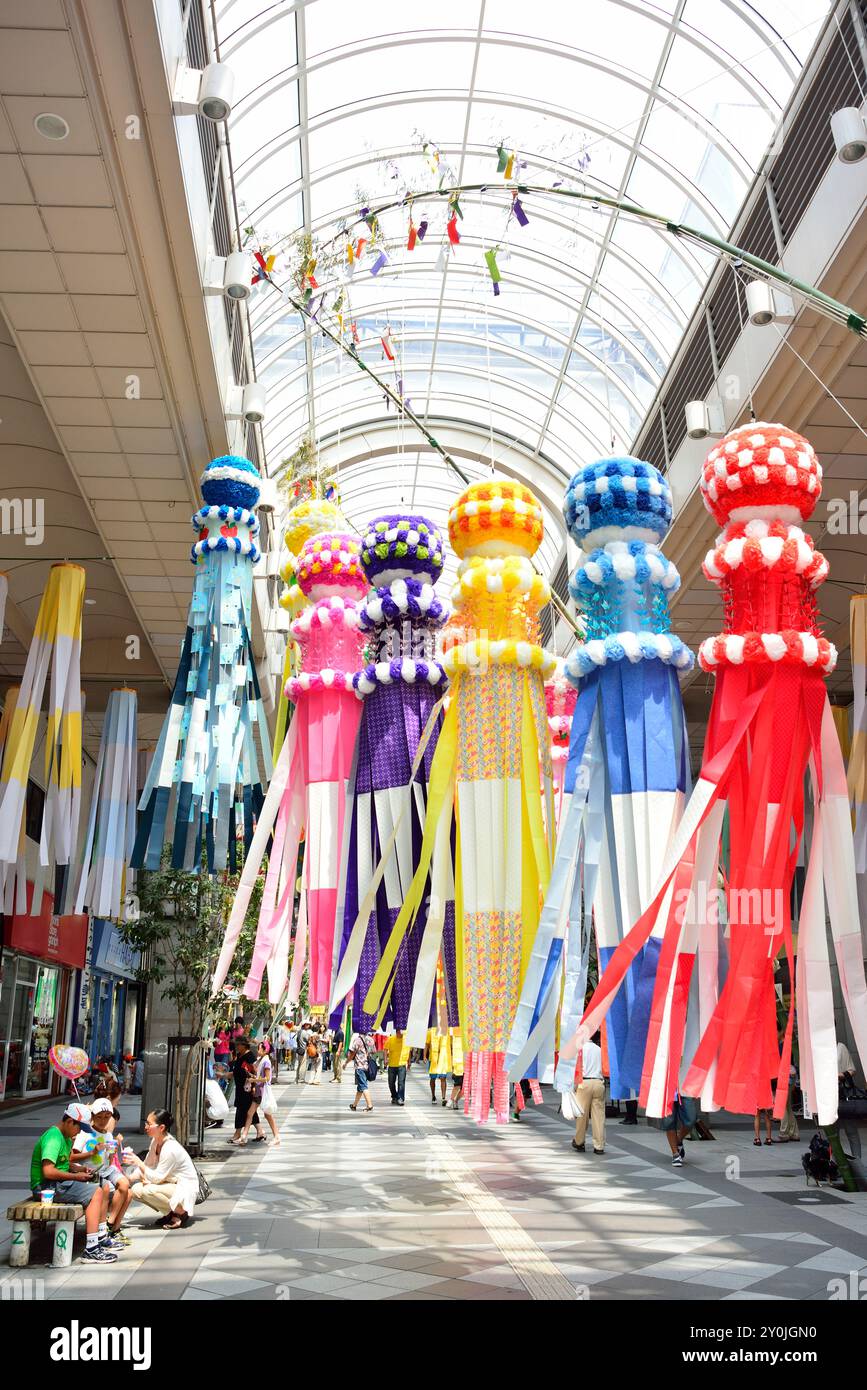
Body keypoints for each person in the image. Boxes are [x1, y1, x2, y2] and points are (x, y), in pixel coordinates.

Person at [30, 1102, 119, 1262]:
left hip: (56, 1184)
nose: (79, 1133)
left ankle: (99, 1237)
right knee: (96, 1192)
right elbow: (48, 1171)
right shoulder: (54, 1137)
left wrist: (78, 1170)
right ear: (70, 1121)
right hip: (45, 1187)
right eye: (79, 1128)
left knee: (103, 1187)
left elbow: (63, 1163)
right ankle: (91, 1248)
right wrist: (75, 1177)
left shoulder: (65, 1136)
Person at [73, 1097, 133, 1245]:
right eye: (99, 1117)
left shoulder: (107, 1135)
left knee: (126, 1187)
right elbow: (72, 1157)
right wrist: (92, 1153)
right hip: (91, 1172)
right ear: (92, 1116)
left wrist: (113, 1150)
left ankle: (110, 1225)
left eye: (107, 1117)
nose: (103, 1120)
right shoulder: (85, 1134)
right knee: (114, 1190)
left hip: (106, 1170)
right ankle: (109, 1229)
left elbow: (109, 1159)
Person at [128, 1109, 199, 1229]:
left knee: (148, 1190)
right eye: (146, 1123)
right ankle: (170, 1213)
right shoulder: (155, 1141)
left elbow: (156, 1178)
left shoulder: (170, 1148)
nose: (146, 1127)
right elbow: (148, 1164)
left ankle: (181, 1213)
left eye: (149, 1124)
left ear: (161, 1128)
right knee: (135, 1190)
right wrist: (129, 1179)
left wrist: (138, 1163)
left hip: (184, 1187)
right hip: (168, 1183)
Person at [570, 1032, 606, 1154]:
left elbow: (576, 1069)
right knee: (598, 1117)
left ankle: (579, 1142)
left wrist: (573, 1087)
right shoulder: (599, 1049)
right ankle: (599, 1146)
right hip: (598, 1082)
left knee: (582, 1115)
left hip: (584, 1083)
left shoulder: (579, 1049)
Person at [227, 1037, 266, 1145]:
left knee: (242, 1109)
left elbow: (255, 1072)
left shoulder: (250, 1057)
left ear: (244, 1045)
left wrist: (254, 1086)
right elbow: (236, 1072)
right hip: (240, 1087)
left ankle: (238, 1133)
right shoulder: (240, 1055)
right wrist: (224, 1075)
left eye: (238, 1045)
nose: (237, 1047)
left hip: (248, 1088)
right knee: (248, 1110)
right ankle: (260, 1131)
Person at [241, 1042, 281, 1145]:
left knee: (268, 1115)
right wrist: (253, 1078)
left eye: (259, 1049)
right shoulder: (262, 1061)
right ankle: (244, 1136)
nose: (257, 1051)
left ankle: (276, 1136)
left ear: (265, 1050)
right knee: (250, 1113)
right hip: (259, 1092)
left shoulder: (266, 1062)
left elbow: (267, 1079)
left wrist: (254, 1080)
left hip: (263, 1093)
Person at [838, 1039, 862, 1159]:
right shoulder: (817, 1048)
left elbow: (852, 1070)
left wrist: (840, 1075)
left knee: (851, 1130)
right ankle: (833, 1165)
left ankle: (858, 1161)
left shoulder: (840, 1047)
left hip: (843, 1094)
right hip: (826, 1096)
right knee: (832, 1134)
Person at [661, 1092, 698, 1167]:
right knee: (669, 1121)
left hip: (684, 1086)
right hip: (667, 1087)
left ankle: (678, 1140)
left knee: (691, 1120)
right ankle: (675, 1154)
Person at [348, 1028, 374, 1113]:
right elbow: (374, 1051)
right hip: (367, 1066)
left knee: (363, 1086)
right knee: (360, 1087)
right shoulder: (371, 1039)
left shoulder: (357, 1040)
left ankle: (369, 1105)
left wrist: (346, 1063)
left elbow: (352, 1053)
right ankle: (354, 1105)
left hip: (360, 1066)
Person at [425, 1026, 451, 1106]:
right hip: (433, 1059)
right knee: (433, 1078)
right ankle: (433, 1096)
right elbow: (427, 1045)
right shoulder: (430, 1031)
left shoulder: (447, 1031)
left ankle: (443, 1098)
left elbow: (450, 1044)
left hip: (443, 1058)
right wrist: (424, 1056)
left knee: (443, 1078)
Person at [387, 1030, 409, 1106]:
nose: (401, 1032)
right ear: (396, 1031)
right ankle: (394, 1096)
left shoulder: (407, 1039)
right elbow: (385, 1049)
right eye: (399, 1031)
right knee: (391, 1083)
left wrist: (409, 1062)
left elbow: (409, 1051)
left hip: (402, 1064)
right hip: (392, 1065)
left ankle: (400, 1098)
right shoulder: (391, 1039)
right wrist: (385, 1059)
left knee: (401, 1083)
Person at [450, 1030, 464, 1110]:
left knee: (465, 1088)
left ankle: (456, 1100)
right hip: (458, 1064)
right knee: (457, 1085)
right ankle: (452, 1100)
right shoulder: (454, 1030)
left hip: (467, 1065)